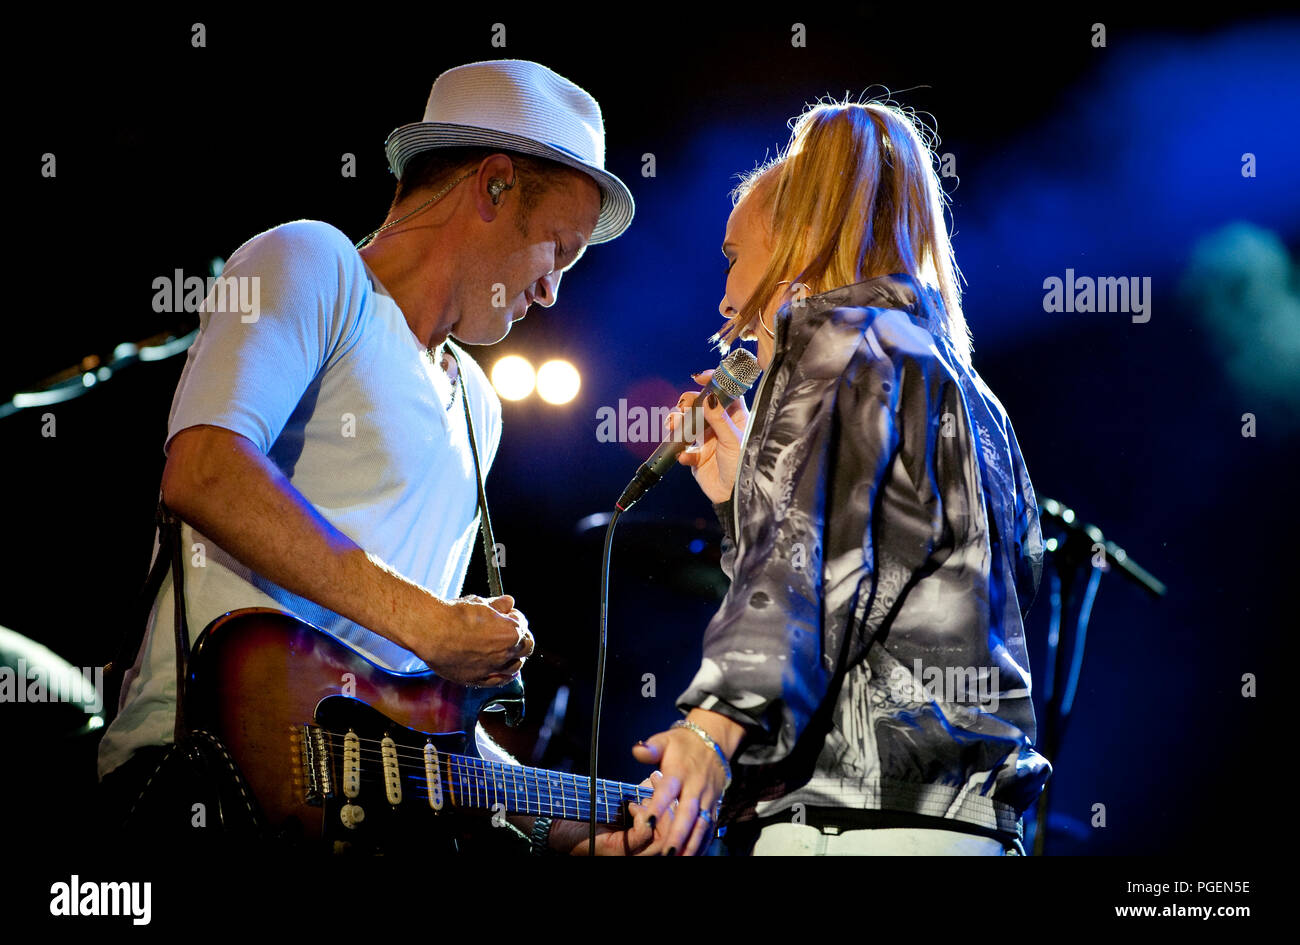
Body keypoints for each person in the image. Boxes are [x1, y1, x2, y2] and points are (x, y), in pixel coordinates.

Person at [96, 59, 649, 855]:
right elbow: (205, 468)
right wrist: (429, 622)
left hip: (372, 826)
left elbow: (412, 707)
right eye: (556, 250)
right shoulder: (313, 264)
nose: (554, 291)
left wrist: (571, 829)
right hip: (199, 783)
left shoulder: (478, 409)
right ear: (494, 186)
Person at [631, 96, 1051, 855]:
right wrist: (743, 501)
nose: (726, 297)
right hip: (960, 825)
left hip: (851, 825)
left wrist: (711, 727)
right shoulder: (961, 385)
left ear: (798, 240)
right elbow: (881, 585)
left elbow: (797, 576)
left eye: (734, 255)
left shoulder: (837, 340)